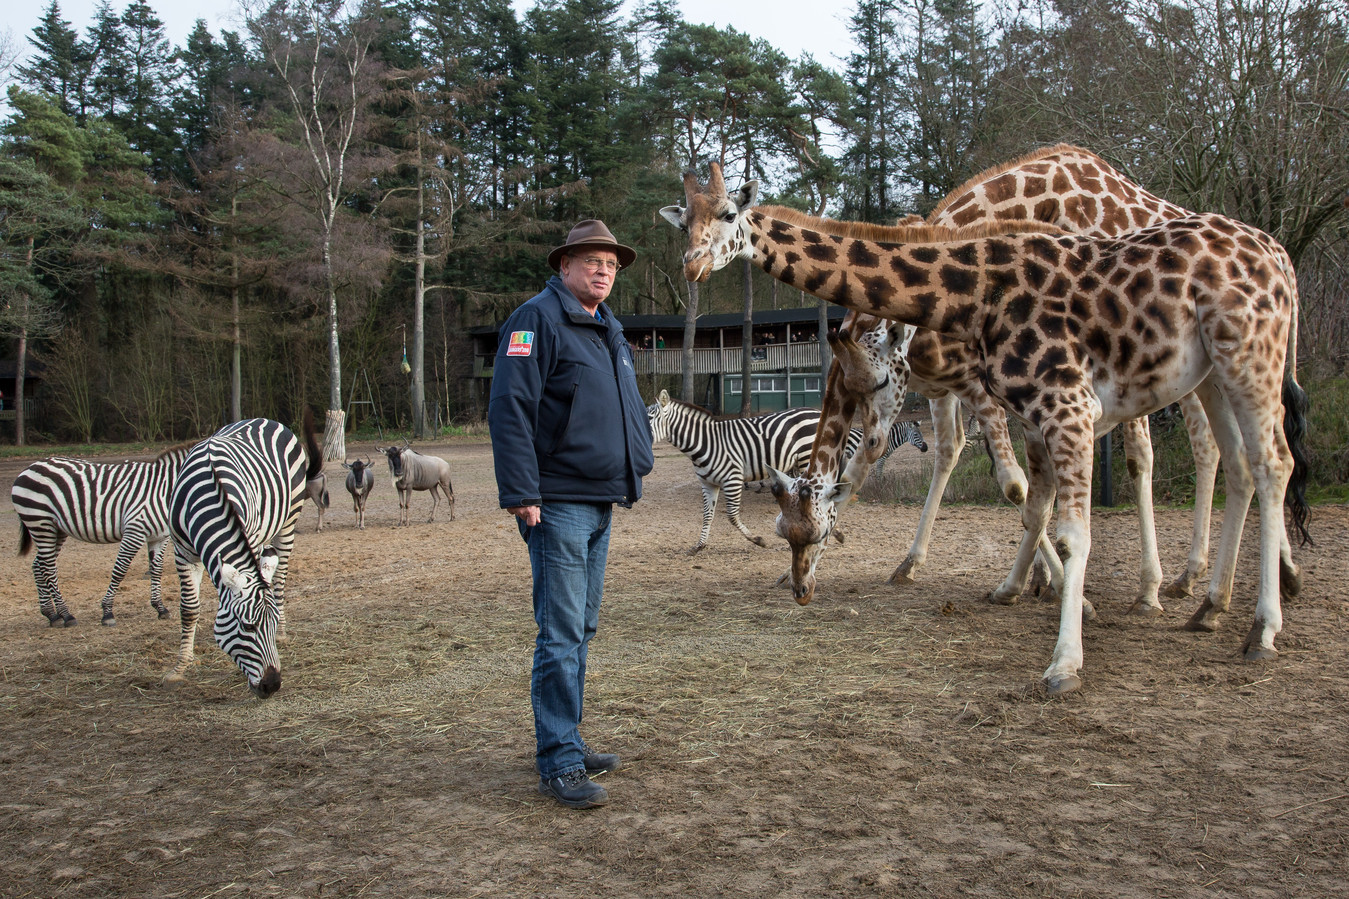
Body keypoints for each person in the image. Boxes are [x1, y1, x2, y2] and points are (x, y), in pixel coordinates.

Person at [487, 220, 655, 810]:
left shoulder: (609, 328)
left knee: (581, 628)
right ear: (565, 266)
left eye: (610, 264)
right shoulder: (535, 320)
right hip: (555, 502)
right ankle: (558, 761)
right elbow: (510, 405)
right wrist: (521, 490)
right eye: (591, 261)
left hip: (601, 498)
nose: (603, 271)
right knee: (560, 633)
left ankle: (570, 740)